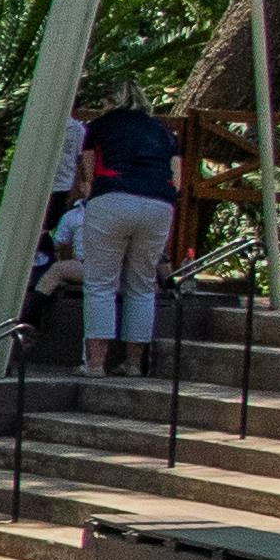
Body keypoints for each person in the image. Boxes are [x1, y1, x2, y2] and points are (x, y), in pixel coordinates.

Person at [73, 98, 177, 376]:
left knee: (100, 284)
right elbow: (175, 177)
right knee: (142, 285)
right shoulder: (163, 131)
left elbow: (88, 171)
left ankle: (95, 363)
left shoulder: (99, 126)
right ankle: (133, 363)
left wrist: (89, 191)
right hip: (159, 202)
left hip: (112, 196)